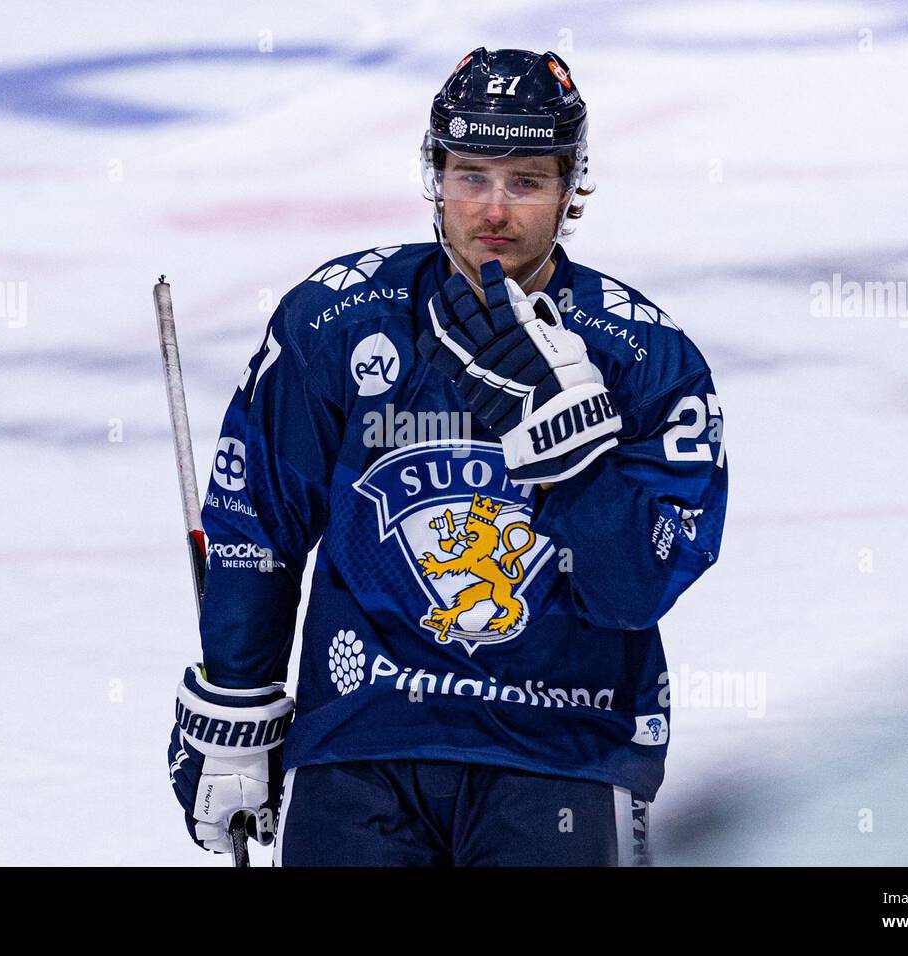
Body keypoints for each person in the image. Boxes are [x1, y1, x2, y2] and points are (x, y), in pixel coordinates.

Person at [168, 47, 727, 866]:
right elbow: (259, 522)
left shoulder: (643, 357)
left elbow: (636, 587)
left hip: (562, 743)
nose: (494, 209)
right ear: (434, 175)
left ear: (571, 188)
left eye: (526, 180)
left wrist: (580, 469)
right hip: (362, 737)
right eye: (470, 175)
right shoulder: (339, 321)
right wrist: (236, 701)